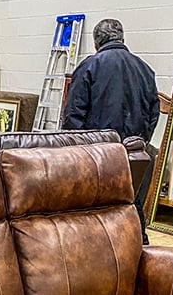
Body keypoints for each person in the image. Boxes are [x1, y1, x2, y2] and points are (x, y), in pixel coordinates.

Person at [62, 18, 160, 244]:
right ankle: (138, 254)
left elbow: (73, 116)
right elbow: (154, 114)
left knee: (97, 213)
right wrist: (139, 142)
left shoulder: (89, 66)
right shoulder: (145, 69)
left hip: (99, 155)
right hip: (135, 154)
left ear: (96, 43)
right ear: (122, 39)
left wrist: (80, 151)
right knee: (132, 208)